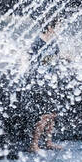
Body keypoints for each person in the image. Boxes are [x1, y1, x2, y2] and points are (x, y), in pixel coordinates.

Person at [26, 20, 63, 152]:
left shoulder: (53, 41)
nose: (58, 28)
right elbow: (30, 62)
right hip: (40, 83)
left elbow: (57, 57)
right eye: (57, 26)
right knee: (45, 115)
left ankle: (48, 142)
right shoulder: (37, 43)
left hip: (51, 81)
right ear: (48, 27)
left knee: (53, 114)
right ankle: (34, 144)